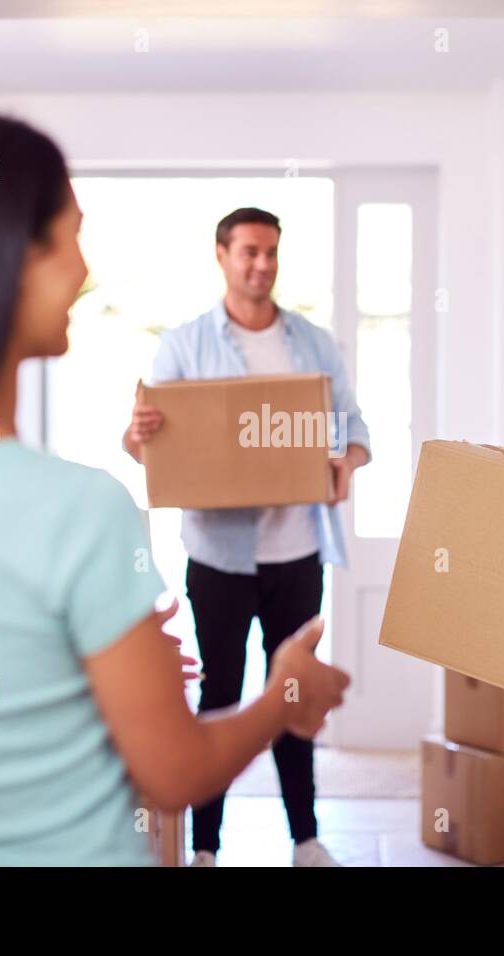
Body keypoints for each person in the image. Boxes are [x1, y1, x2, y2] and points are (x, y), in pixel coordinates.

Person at [0, 106, 350, 866]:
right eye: (69, 236)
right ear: (3, 259)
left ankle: (305, 834)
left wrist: (98, 681)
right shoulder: (78, 510)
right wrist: (285, 693)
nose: (84, 269)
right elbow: (176, 771)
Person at [123, 207, 371, 866]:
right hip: (217, 557)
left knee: (294, 690)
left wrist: (344, 461)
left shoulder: (312, 343)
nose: (261, 265)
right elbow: (146, 444)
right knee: (221, 694)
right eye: (249, 253)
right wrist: (137, 434)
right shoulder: (183, 344)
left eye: (271, 254)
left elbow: (354, 430)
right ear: (222, 255)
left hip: (298, 551)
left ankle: (306, 838)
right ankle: (205, 847)